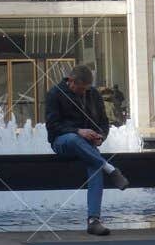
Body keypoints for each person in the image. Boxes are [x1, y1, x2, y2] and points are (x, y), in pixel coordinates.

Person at [45, 65, 131, 236]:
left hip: (87, 146)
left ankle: (94, 220)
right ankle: (110, 169)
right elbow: (52, 126)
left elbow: (103, 121)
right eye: (81, 89)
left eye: (86, 89)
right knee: (73, 139)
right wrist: (78, 131)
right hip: (62, 142)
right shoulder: (55, 94)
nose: (84, 92)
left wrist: (100, 136)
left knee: (95, 166)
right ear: (71, 82)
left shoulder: (93, 94)